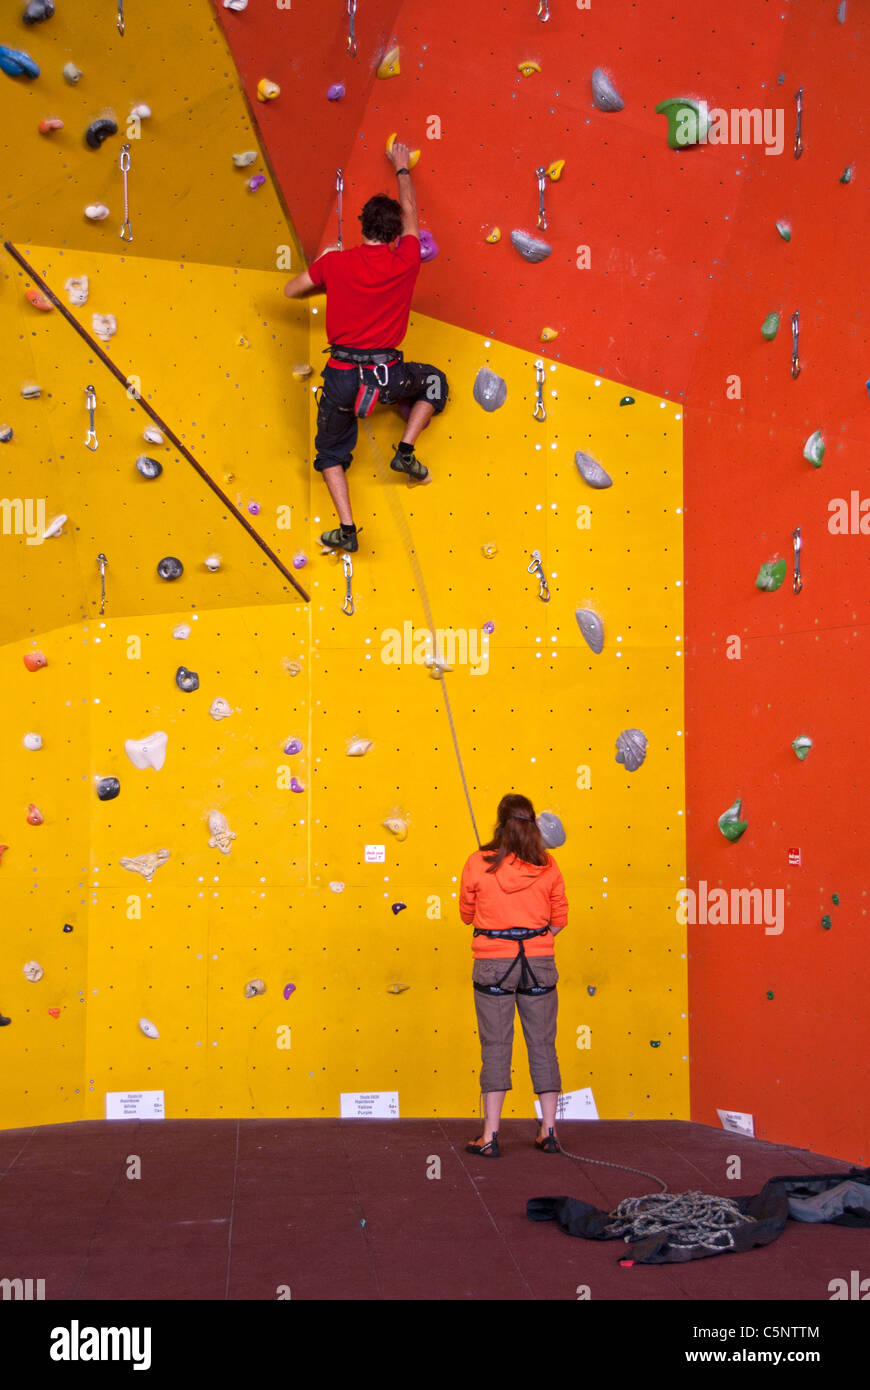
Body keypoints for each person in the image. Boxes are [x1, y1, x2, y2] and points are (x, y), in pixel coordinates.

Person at [283, 141, 449, 553]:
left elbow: (290, 290)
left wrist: (325, 279)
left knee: (329, 453)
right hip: (386, 376)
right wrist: (402, 168)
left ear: (361, 227)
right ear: (395, 236)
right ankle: (406, 450)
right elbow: (410, 210)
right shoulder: (406, 259)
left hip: (341, 378)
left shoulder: (335, 263)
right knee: (433, 382)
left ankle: (348, 530)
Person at [459, 794, 568, 1157]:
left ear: (499, 824)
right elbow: (559, 920)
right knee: (543, 1045)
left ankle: (490, 1136)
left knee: (495, 1047)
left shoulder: (478, 863)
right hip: (538, 963)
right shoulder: (548, 866)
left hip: (493, 962)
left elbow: (466, 914)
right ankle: (549, 1131)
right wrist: (536, 941)